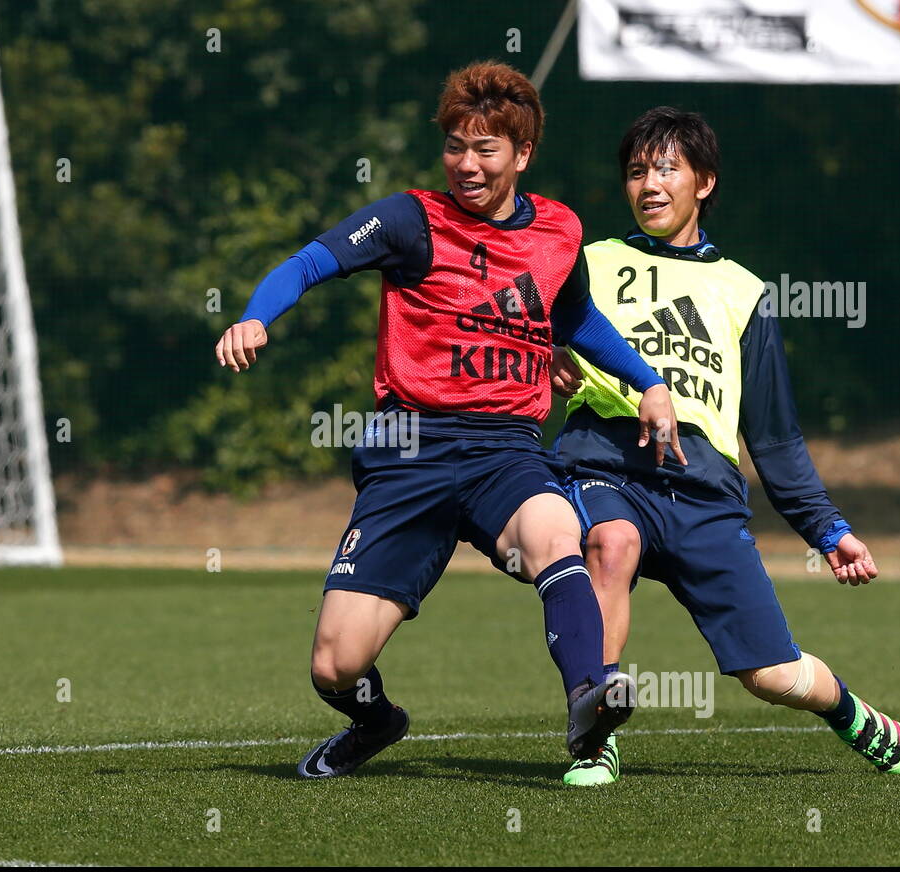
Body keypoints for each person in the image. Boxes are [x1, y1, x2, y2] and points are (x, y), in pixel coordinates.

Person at [214, 62, 684, 781]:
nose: (466, 164)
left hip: (506, 449)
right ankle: (376, 721)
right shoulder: (409, 219)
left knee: (559, 533)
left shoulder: (559, 230)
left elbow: (575, 317)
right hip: (410, 451)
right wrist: (254, 316)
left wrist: (648, 382)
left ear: (522, 155)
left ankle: (588, 700)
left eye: (485, 149)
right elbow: (309, 263)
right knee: (335, 665)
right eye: (455, 147)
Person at [550, 106, 900, 786]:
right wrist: (543, 350)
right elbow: (516, 319)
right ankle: (595, 735)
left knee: (771, 675)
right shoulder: (589, 263)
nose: (650, 184)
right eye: (637, 171)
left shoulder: (745, 292)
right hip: (605, 461)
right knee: (611, 543)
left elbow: (775, 437)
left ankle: (856, 717)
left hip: (705, 493)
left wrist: (828, 529)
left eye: (667, 168)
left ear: (705, 182)